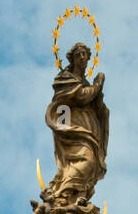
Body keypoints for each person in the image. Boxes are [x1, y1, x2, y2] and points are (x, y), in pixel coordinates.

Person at [45, 42, 108, 203]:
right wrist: (98, 85)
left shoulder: (86, 83)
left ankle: (79, 194)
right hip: (73, 125)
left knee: (92, 163)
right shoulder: (65, 79)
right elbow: (80, 95)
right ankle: (62, 192)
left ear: (88, 58)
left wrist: (98, 98)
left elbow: (98, 107)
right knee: (87, 160)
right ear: (71, 59)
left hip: (89, 125)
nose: (81, 57)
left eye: (84, 54)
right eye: (77, 54)